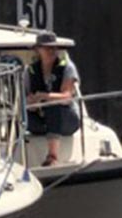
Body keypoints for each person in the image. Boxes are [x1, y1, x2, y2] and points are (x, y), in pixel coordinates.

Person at [26, 32, 81, 167]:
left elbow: (67, 97)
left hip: (67, 119)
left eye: (53, 47)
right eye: (47, 48)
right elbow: (27, 96)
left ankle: (52, 156)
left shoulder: (67, 67)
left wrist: (44, 96)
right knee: (21, 115)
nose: (51, 51)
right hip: (41, 119)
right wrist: (32, 103)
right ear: (38, 49)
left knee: (54, 105)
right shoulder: (30, 70)